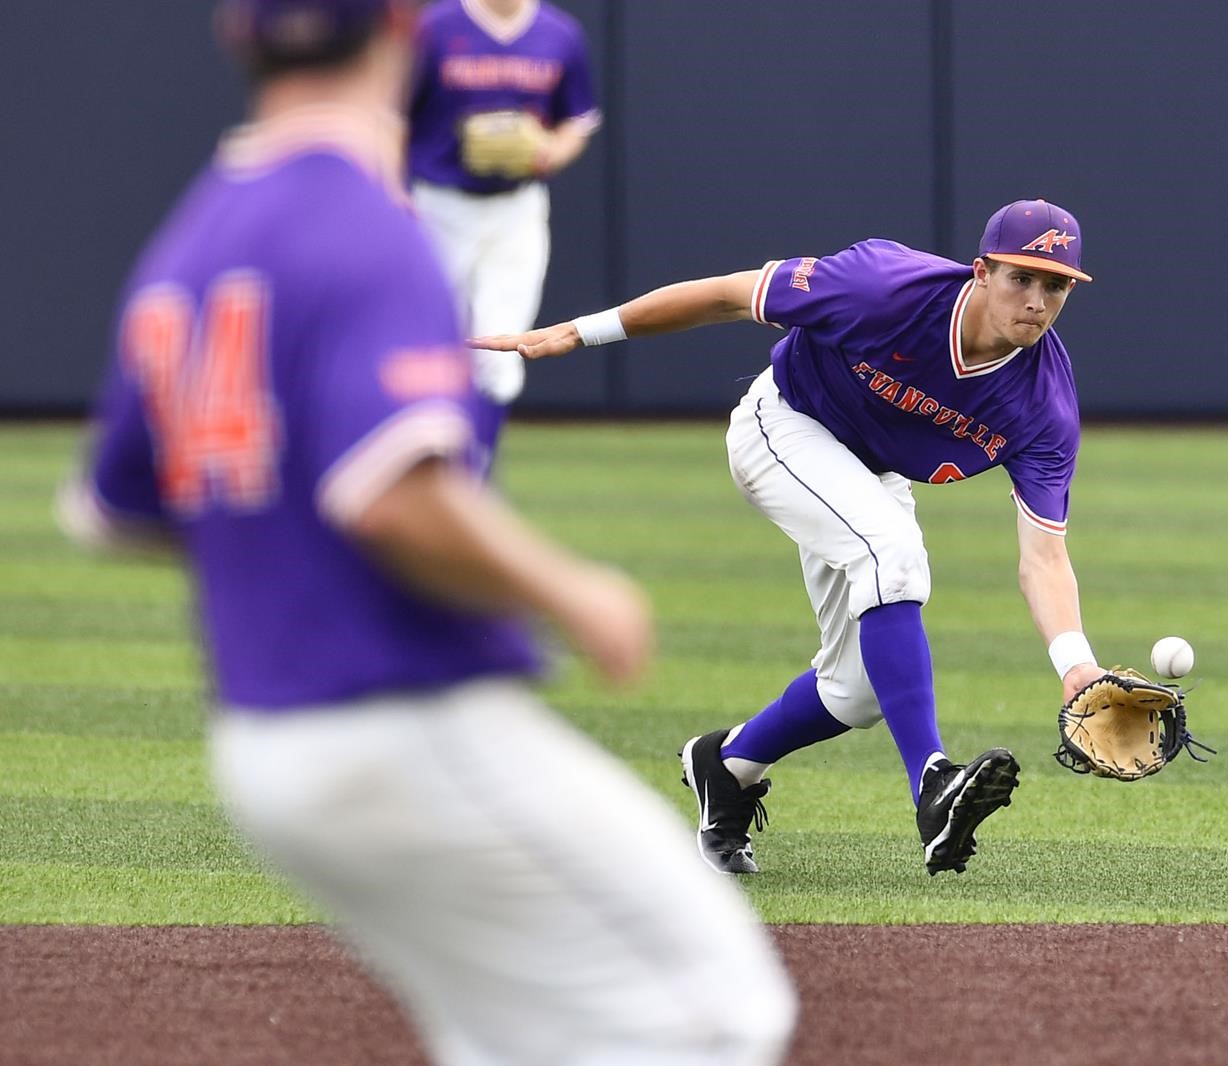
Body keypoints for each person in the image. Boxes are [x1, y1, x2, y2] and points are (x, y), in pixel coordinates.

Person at [55, 1, 794, 1062]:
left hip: (263, 746)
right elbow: (391, 495)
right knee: (720, 1007)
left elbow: (116, 507)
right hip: (394, 719)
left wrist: (280, 539)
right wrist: (568, 589)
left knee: (498, 1029)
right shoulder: (363, 221)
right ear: (407, 29)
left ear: (236, 37)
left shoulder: (196, 235)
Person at [472, 199, 1107, 878]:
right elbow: (723, 297)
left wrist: (1077, 666)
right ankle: (931, 783)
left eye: (1057, 284)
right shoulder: (883, 287)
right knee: (890, 555)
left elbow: (1044, 558)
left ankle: (726, 763)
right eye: (1022, 277)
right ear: (980, 272)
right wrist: (578, 333)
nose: (1037, 300)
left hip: (868, 475)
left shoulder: (1044, 405)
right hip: (785, 428)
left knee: (859, 691)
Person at [407, 0, 601, 444]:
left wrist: (554, 149)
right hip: (438, 203)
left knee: (501, 346)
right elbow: (393, 115)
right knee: (431, 342)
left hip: (517, 206)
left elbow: (578, 120)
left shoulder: (558, 32)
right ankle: (428, 461)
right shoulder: (435, 26)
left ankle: (478, 467)